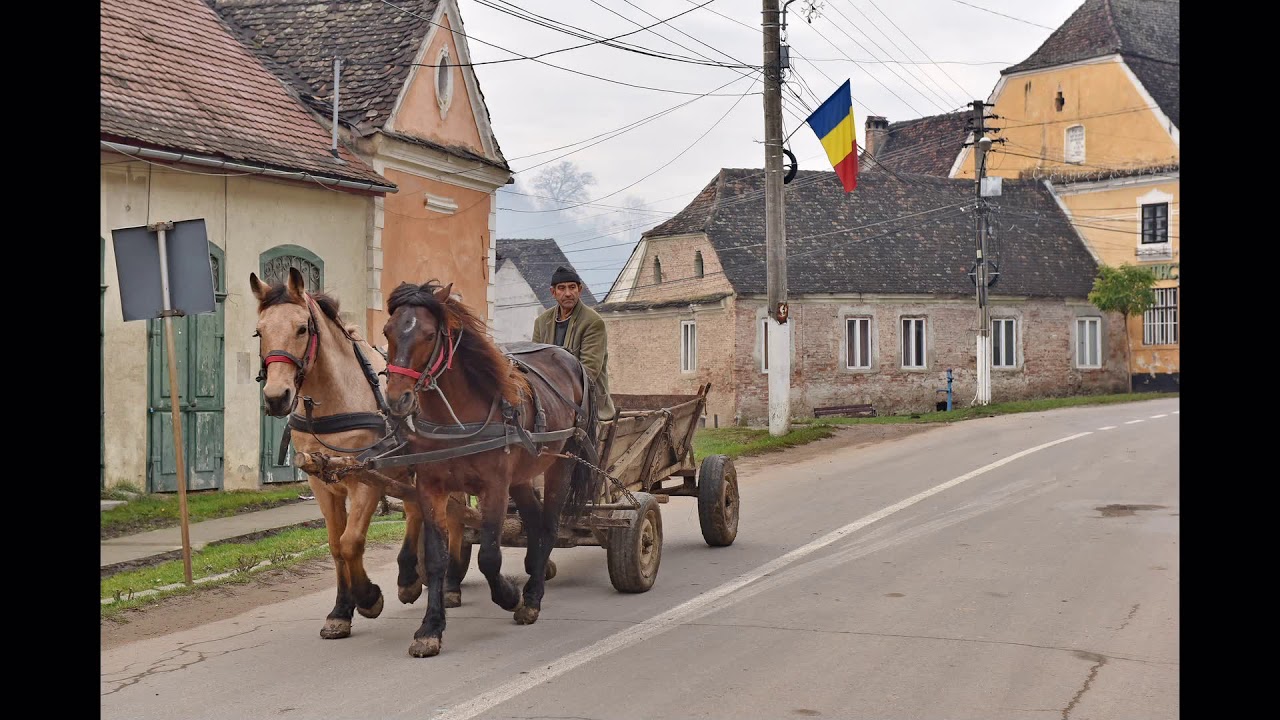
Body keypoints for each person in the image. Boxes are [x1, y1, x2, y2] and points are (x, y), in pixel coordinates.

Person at [532, 266, 616, 421]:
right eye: (561, 288)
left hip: (586, 402)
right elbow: (535, 363)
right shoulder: (542, 322)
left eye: (572, 287)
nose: (568, 293)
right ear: (553, 292)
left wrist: (555, 390)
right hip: (548, 401)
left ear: (580, 290)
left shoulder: (592, 322)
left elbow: (589, 371)